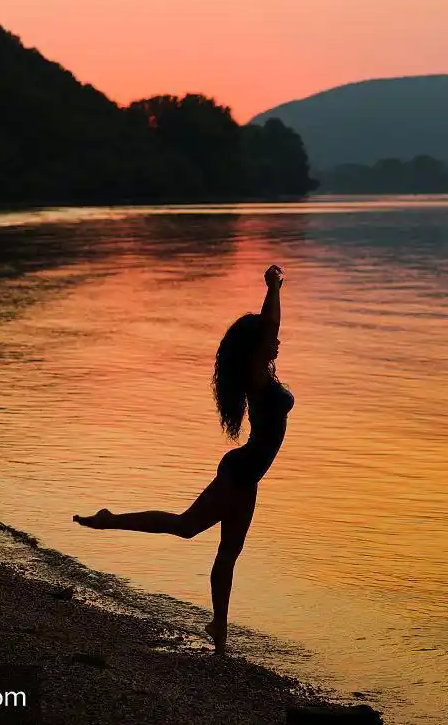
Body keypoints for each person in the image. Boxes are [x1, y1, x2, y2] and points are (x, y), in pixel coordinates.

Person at [73, 264, 294, 653]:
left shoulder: (262, 375)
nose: (277, 341)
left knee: (225, 551)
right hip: (239, 473)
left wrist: (274, 290)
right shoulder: (256, 377)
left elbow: (270, 328)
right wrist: (272, 289)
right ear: (256, 346)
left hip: (247, 477)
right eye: (268, 339)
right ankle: (109, 520)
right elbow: (269, 325)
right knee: (187, 527)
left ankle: (219, 628)